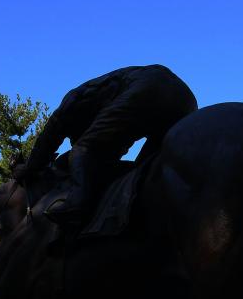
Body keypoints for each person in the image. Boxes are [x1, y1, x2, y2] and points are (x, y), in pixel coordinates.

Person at [16, 65, 198, 224]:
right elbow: (111, 152)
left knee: (82, 151)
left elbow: (47, 140)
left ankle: (76, 206)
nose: (74, 141)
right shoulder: (107, 105)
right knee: (142, 175)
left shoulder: (71, 103)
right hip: (185, 99)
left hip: (147, 86)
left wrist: (29, 167)